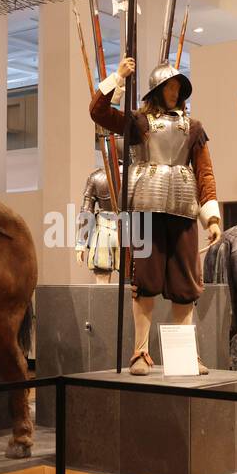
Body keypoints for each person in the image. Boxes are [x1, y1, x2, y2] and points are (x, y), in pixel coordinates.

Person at [89, 56, 221, 375]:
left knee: (185, 285)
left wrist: (212, 217)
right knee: (145, 282)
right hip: (146, 208)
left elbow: (204, 173)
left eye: (178, 87)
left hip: (184, 210)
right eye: (169, 87)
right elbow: (98, 112)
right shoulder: (140, 124)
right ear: (157, 90)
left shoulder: (194, 128)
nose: (175, 92)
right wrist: (117, 78)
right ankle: (140, 352)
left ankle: (186, 354)